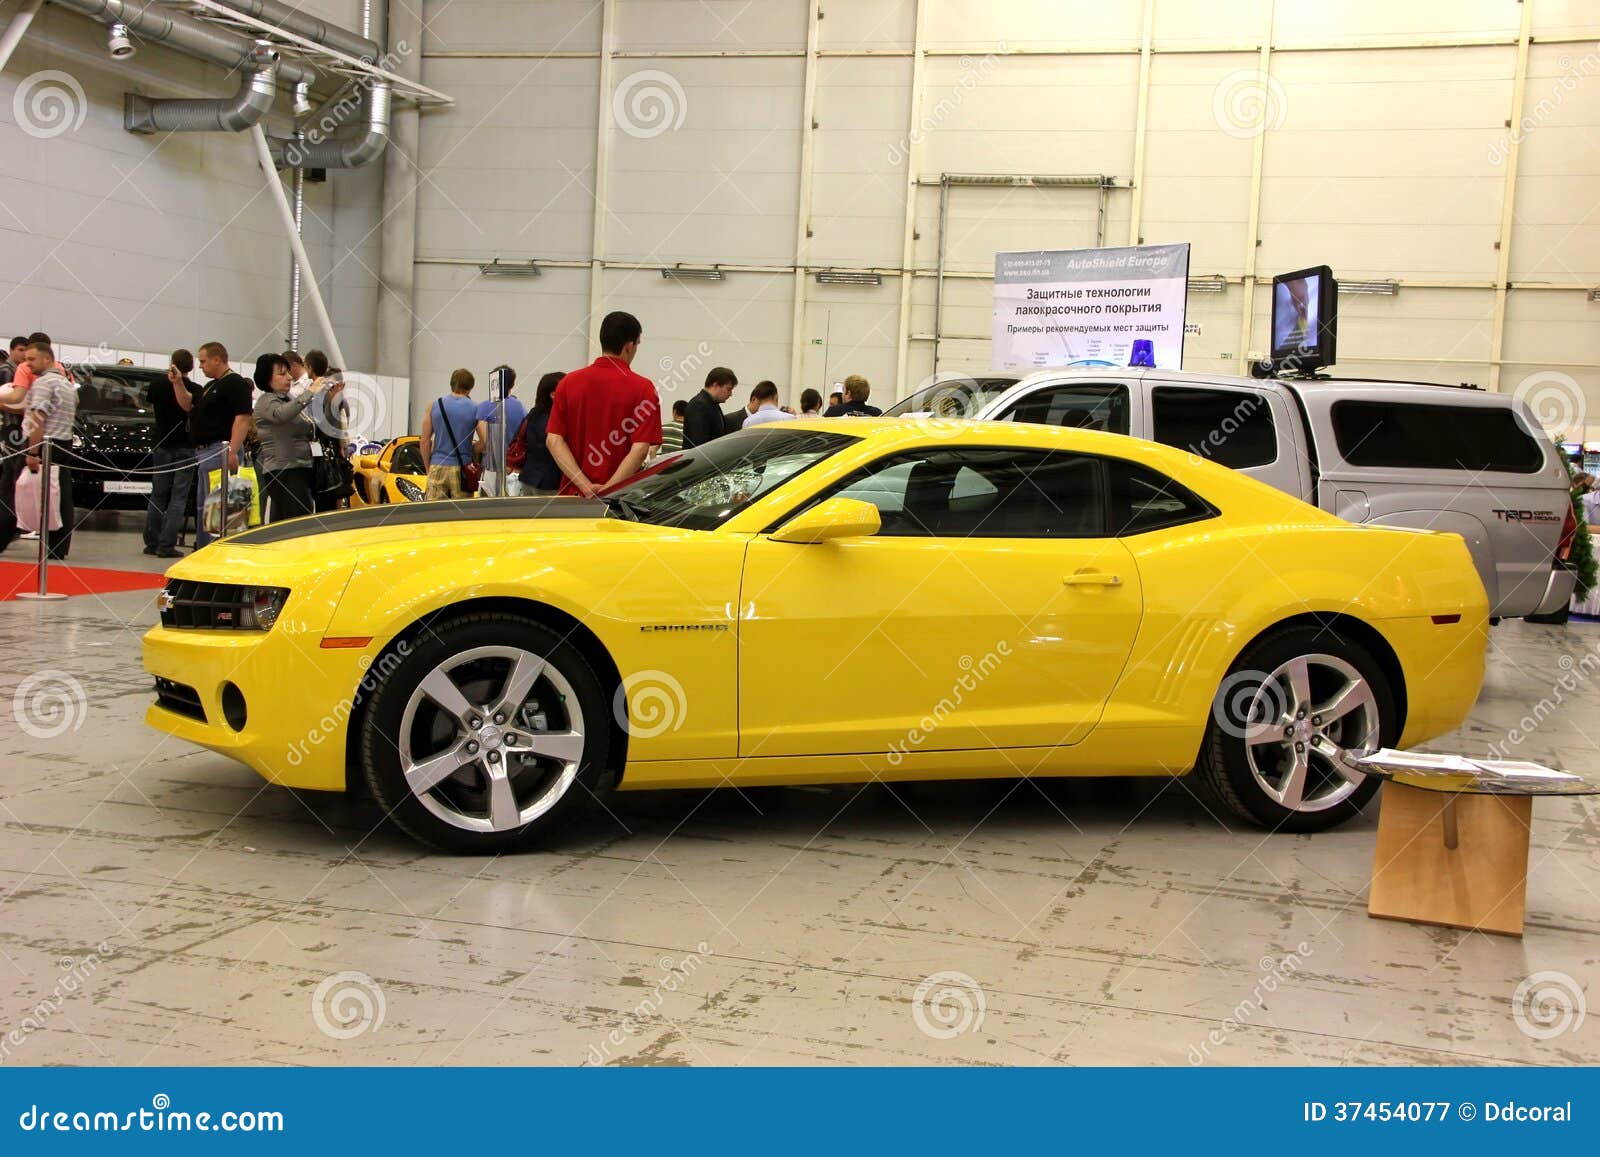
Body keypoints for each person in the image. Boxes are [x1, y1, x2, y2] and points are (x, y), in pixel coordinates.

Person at [546, 311, 662, 496]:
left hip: (573, 496)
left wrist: (584, 486)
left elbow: (553, 440)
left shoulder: (568, 382)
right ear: (629, 346)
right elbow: (640, 448)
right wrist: (609, 490)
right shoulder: (643, 388)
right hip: (619, 499)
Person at [189, 341, 254, 548]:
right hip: (205, 453)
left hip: (220, 450)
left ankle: (217, 551)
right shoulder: (210, 386)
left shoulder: (236, 384)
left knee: (220, 508)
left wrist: (232, 451)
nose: (200, 366)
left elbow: (242, 418)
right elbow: (187, 404)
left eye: (203, 361)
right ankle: (203, 548)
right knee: (203, 507)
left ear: (217, 359)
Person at [253, 352, 325, 523]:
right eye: (282, 373)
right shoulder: (266, 401)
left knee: (286, 522)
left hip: (300, 467)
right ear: (267, 378)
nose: (289, 377)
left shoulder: (288, 399)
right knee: (299, 522)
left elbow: (309, 423)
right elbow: (281, 415)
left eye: (288, 372)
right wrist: (309, 393)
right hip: (283, 471)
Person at [21, 341, 77, 560]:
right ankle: (58, 547)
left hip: (47, 444)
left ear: (47, 359)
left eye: (32, 359)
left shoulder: (44, 383)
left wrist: (32, 452)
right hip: (63, 443)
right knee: (61, 497)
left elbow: (37, 419)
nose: (27, 364)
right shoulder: (66, 383)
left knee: (44, 498)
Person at [142, 348, 197, 557]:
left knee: (158, 494)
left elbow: (151, 404)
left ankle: (152, 542)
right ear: (190, 367)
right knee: (178, 497)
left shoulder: (156, 385)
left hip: (162, 444)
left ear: (172, 363)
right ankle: (167, 545)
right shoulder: (194, 389)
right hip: (185, 446)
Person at [420, 368, 478, 500]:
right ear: (470, 388)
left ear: (451, 384)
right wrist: (472, 449)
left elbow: (424, 441)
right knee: (461, 516)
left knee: (434, 515)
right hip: (462, 469)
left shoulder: (434, 405)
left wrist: (428, 468)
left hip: (438, 465)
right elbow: (485, 441)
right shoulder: (475, 408)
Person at [475, 364, 526, 497]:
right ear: (512, 384)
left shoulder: (484, 407)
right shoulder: (520, 407)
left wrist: (472, 449)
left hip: (493, 468)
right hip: (514, 467)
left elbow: (485, 442)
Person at [515, 372, 564, 496]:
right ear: (553, 395)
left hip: (528, 477)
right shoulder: (554, 421)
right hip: (549, 482)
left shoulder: (533, 414)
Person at [682, 366, 737, 450]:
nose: (730, 394)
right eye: (728, 389)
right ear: (715, 385)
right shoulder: (699, 405)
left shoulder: (712, 404)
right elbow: (699, 444)